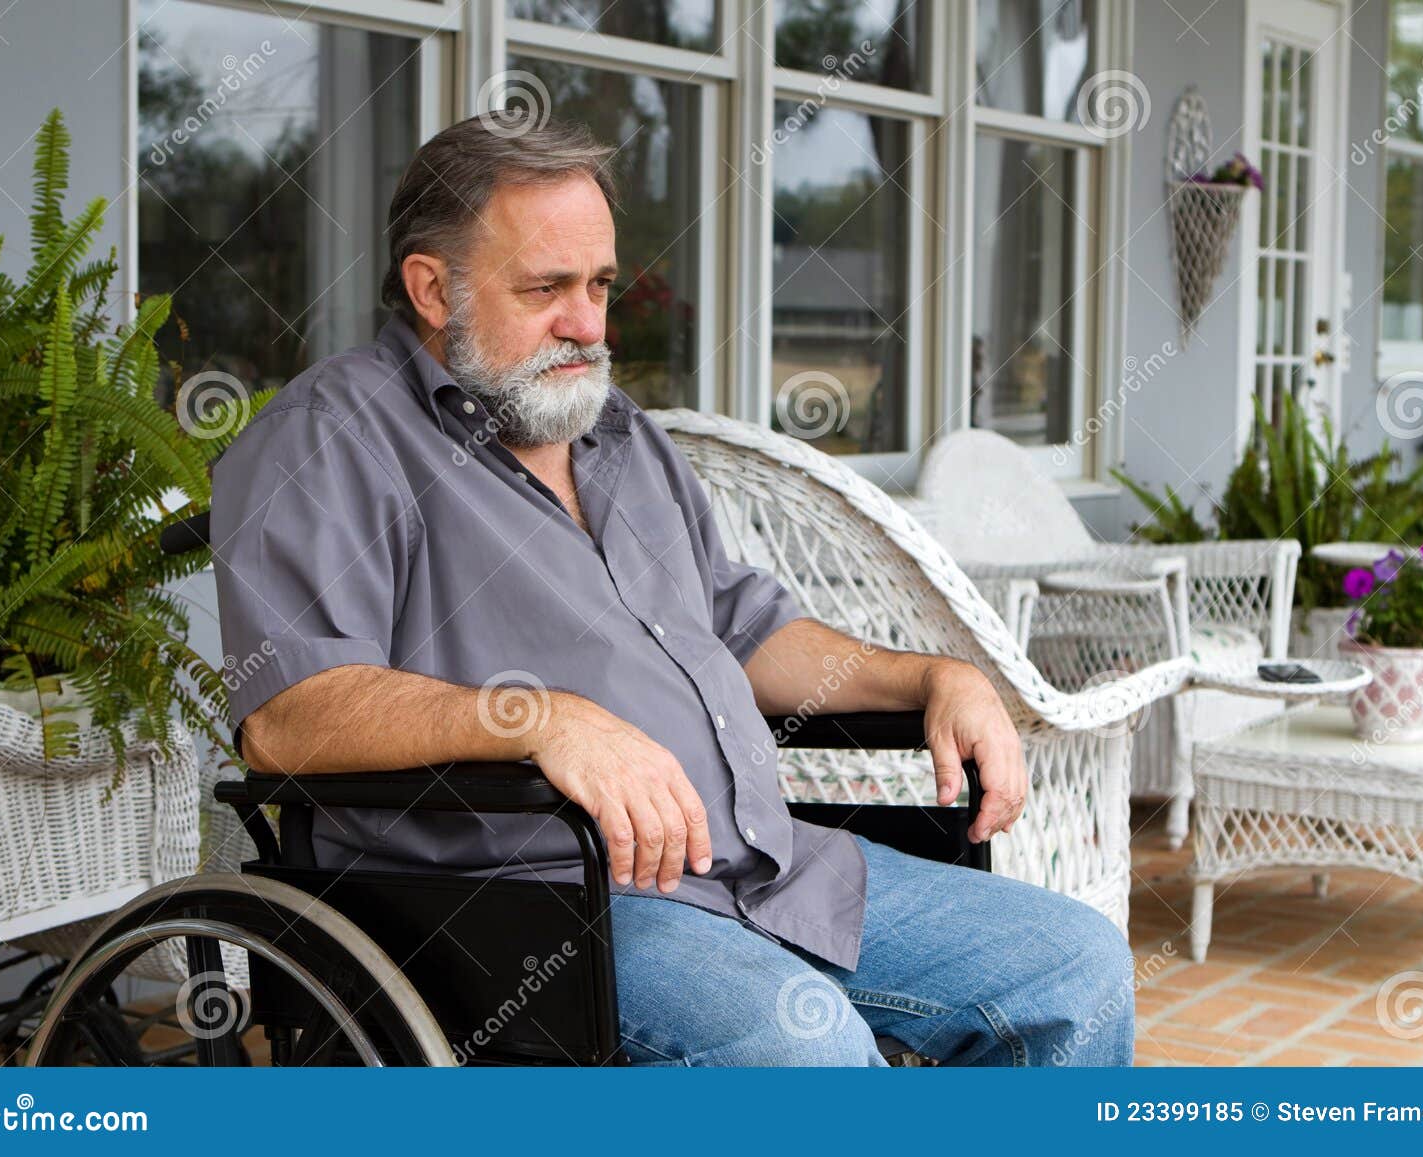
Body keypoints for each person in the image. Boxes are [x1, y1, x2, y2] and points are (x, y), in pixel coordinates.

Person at [210, 112, 1135, 1067]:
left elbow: (741, 626)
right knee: (803, 1047)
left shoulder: (620, 434)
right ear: (432, 289)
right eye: (546, 288)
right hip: (534, 907)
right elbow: (289, 715)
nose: (587, 323)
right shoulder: (330, 439)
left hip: (761, 865)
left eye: (599, 285)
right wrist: (541, 720)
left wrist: (933, 677)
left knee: (1073, 966)